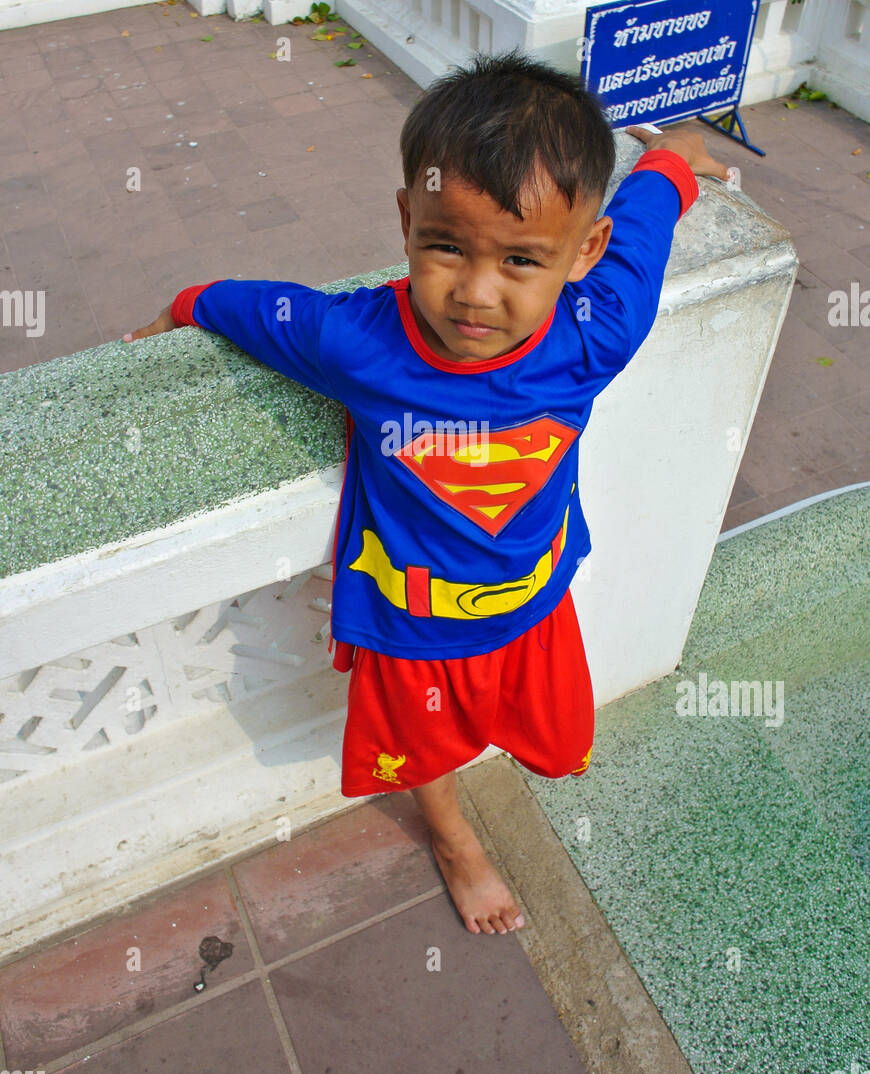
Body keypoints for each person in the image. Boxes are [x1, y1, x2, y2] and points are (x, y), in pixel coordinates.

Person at [123, 48, 729, 936]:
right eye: (446, 246)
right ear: (407, 219)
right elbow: (263, 310)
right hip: (411, 625)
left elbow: (638, 236)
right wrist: (186, 304)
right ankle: (451, 840)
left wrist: (672, 165)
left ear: (579, 253)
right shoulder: (358, 342)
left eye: (523, 260)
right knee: (426, 748)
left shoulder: (596, 336)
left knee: (541, 731)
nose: (475, 296)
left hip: (534, 600)